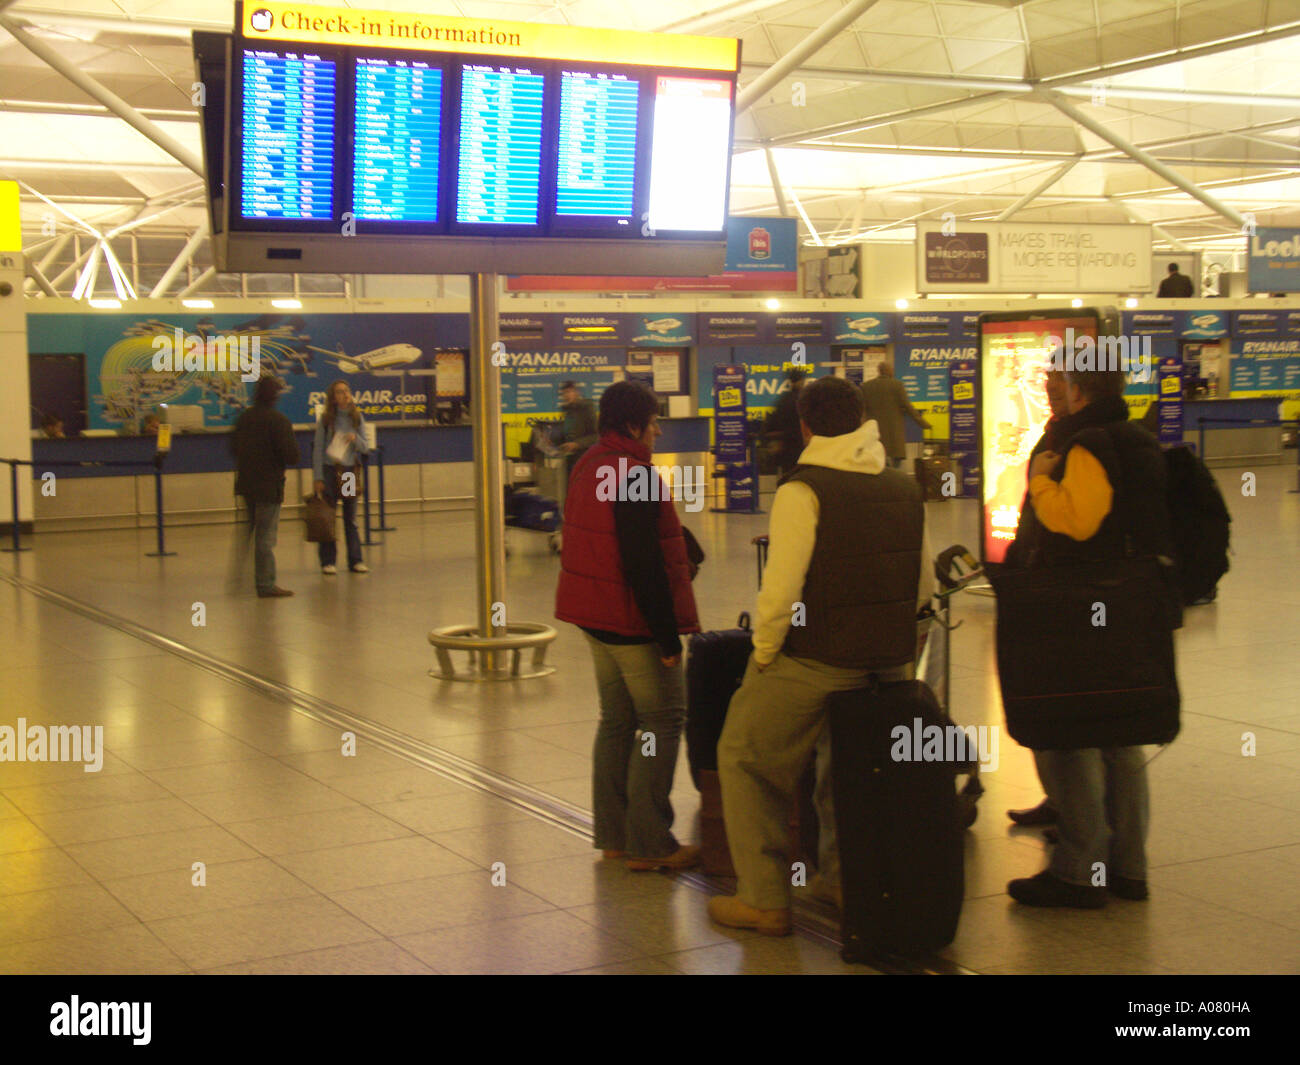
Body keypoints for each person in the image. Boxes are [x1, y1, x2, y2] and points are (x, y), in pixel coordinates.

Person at [708, 376, 934, 936]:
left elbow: (781, 590)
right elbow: (924, 587)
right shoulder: (903, 486)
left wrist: (763, 654)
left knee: (743, 754)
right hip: (890, 661)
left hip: (820, 660)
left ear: (805, 426)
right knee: (846, 763)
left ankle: (763, 898)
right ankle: (839, 877)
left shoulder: (802, 489)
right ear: (862, 423)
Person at [1007, 366, 1175, 908]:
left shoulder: (1086, 445)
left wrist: (1039, 479)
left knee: (1071, 732)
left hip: (1084, 607)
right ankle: (1129, 868)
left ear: (1079, 392)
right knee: (1122, 734)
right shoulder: (1140, 439)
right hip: (1135, 604)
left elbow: (1076, 522)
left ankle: (1080, 872)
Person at [554, 381, 701, 872]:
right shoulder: (634, 472)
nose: (659, 431)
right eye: (654, 421)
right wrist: (666, 637)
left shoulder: (588, 464)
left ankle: (614, 838)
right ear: (636, 425)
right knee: (661, 721)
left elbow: (606, 535)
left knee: (617, 722)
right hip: (630, 619)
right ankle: (650, 842)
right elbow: (642, 563)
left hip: (593, 615)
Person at [1002, 368, 1069, 833]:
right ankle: (1060, 800)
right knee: (1048, 705)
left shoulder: (1082, 442)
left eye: (1059, 386)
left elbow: (1068, 517)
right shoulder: (1056, 432)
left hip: (1063, 588)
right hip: (1041, 577)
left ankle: (1079, 832)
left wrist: (1043, 480)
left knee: (1070, 714)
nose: (1050, 393)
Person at [231, 376, 300, 599]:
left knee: (249, 532)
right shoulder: (278, 421)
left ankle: (238, 579)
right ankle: (265, 584)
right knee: (266, 538)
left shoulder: (244, 419)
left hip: (247, 484)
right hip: (270, 486)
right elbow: (291, 455)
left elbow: (233, 448)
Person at [312, 380, 370, 575]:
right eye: (339, 392)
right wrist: (318, 477)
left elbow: (365, 446)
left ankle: (356, 560)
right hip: (329, 471)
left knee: (350, 517)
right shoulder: (326, 419)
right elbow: (318, 449)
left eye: (347, 390)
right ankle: (328, 561)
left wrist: (356, 439)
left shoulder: (356, 418)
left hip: (348, 472)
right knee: (328, 518)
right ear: (333, 397)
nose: (344, 394)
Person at [860, 362, 931, 469]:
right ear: (889, 371)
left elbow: (862, 410)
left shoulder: (866, 386)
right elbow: (908, 407)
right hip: (894, 434)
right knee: (895, 465)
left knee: (878, 463)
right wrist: (923, 424)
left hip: (875, 432)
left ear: (879, 371)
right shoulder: (897, 385)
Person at [761, 368, 810, 476]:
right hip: (802, 448)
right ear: (801, 381)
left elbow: (772, 423)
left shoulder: (783, 400)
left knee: (788, 476)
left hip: (787, 449)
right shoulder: (805, 400)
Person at [558, 380, 597, 480]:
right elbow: (568, 434)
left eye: (569, 392)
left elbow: (596, 436)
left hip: (584, 460)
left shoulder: (586, 408)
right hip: (570, 460)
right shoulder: (567, 411)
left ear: (576, 393)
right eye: (564, 393)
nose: (566, 396)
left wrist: (577, 444)